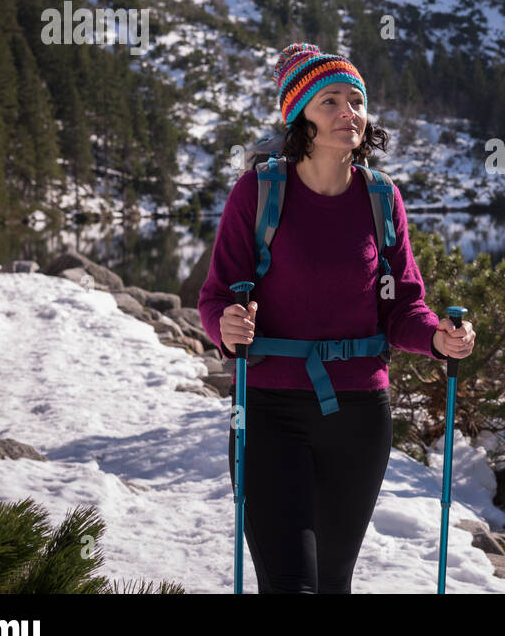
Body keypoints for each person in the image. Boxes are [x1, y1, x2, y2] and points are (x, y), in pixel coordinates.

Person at [198, 43, 475, 593]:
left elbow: (403, 308)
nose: (348, 112)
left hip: (359, 414)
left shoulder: (380, 198)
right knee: (291, 584)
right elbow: (214, 299)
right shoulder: (258, 193)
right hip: (269, 411)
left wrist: (440, 340)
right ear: (298, 115)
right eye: (330, 101)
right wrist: (226, 327)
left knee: (331, 583)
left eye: (356, 100)